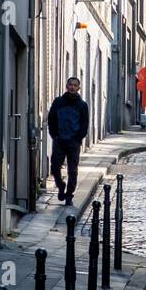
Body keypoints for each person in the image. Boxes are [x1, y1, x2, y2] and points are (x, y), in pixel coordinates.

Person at [47, 77, 89, 206]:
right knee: (54, 167)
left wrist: (78, 138)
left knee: (73, 170)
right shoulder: (58, 102)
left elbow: (84, 124)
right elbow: (51, 119)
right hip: (59, 140)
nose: (72, 87)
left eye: (75, 85)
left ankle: (69, 194)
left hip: (73, 142)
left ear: (78, 88)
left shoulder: (82, 105)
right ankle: (60, 185)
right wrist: (55, 136)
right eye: (70, 84)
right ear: (66, 86)